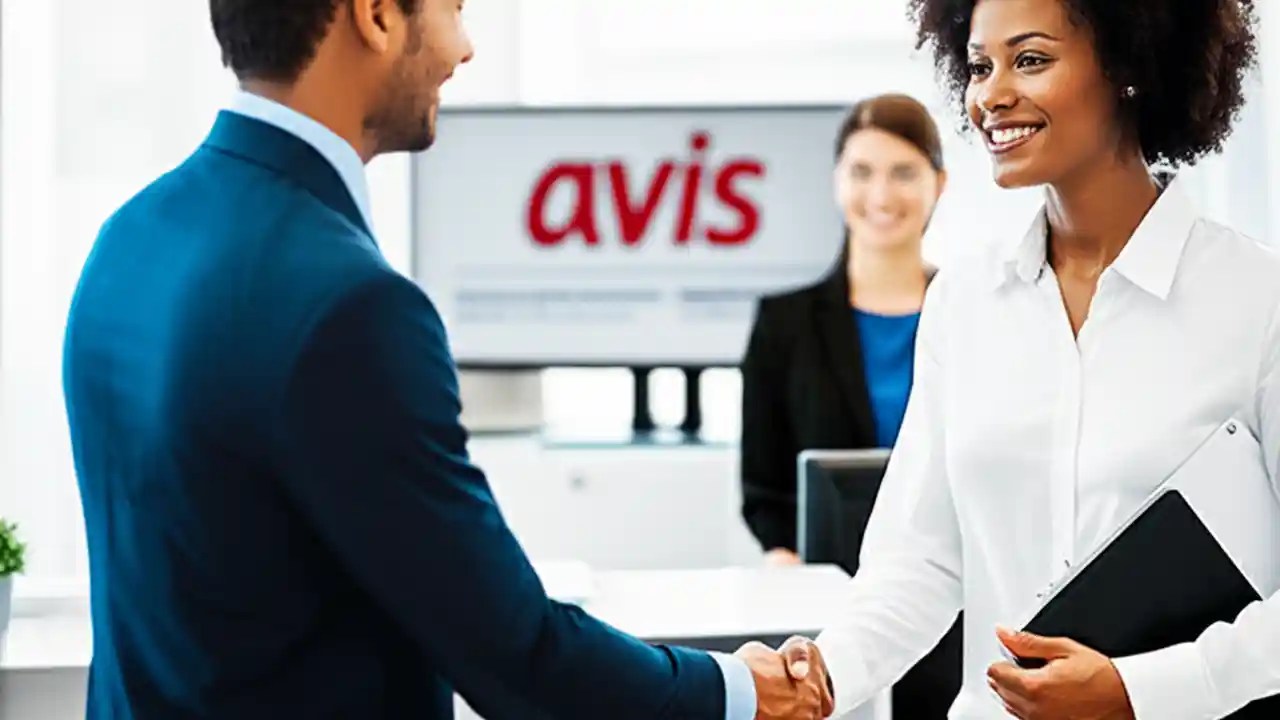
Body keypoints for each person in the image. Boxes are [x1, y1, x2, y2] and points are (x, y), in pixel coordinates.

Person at [60, 1, 832, 718]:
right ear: (376, 16)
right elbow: (518, 657)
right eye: (455, 8)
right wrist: (736, 689)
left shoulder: (126, 240)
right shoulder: (350, 307)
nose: (464, 49)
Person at [811, 0, 1280, 718]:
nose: (990, 95)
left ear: (1129, 67)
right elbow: (919, 564)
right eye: (978, 66)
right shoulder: (964, 305)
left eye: (1030, 60)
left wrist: (1138, 692)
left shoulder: (1257, 302)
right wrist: (814, 679)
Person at [739, 93, 961, 719]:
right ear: (837, 181)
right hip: (830, 618)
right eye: (861, 172)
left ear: (940, 184)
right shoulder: (786, 323)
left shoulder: (978, 312)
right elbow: (764, 488)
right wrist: (792, 589)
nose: (881, 195)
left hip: (963, 607)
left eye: (903, 173)